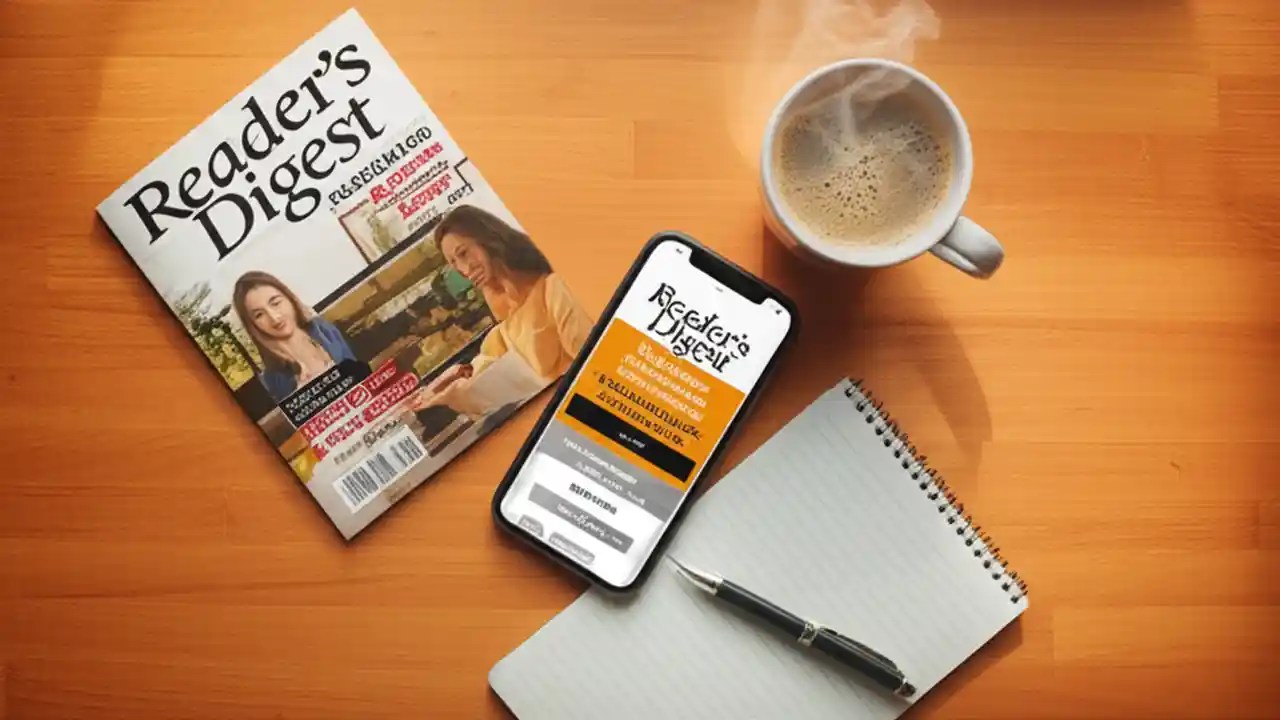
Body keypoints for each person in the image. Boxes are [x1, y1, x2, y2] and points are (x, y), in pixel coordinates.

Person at [408, 205, 592, 414]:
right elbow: (490, 363)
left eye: (464, 253)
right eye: (455, 263)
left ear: (487, 239)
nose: (465, 270)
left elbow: (593, 369)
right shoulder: (506, 318)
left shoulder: (556, 289)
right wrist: (451, 384)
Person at [232, 271, 358, 402]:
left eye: (275, 303)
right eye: (259, 315)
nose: (274, 318)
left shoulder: (323, 329)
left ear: (289, 298)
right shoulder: (274, 377)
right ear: (253, 325)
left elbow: (359, 374)